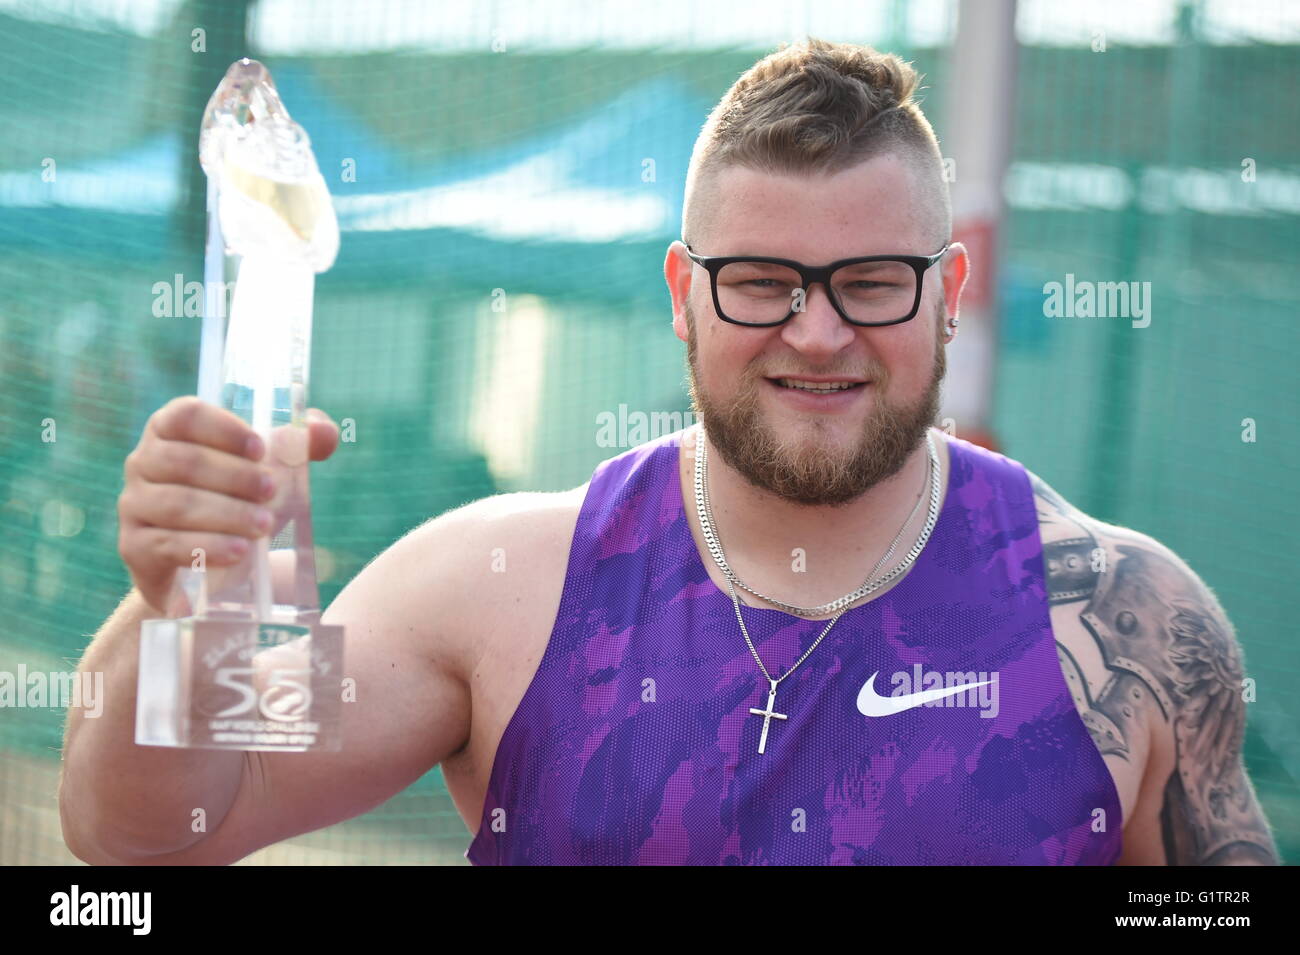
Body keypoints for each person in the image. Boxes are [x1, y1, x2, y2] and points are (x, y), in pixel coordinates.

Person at [60, 37, 1278, 866]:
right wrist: (177, 611)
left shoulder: (1127, 619)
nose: (817, 331)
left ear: (947, 289)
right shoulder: (498, 587)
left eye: (869, 280)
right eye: (759, 282)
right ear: (683, 295)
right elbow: (156, 831)